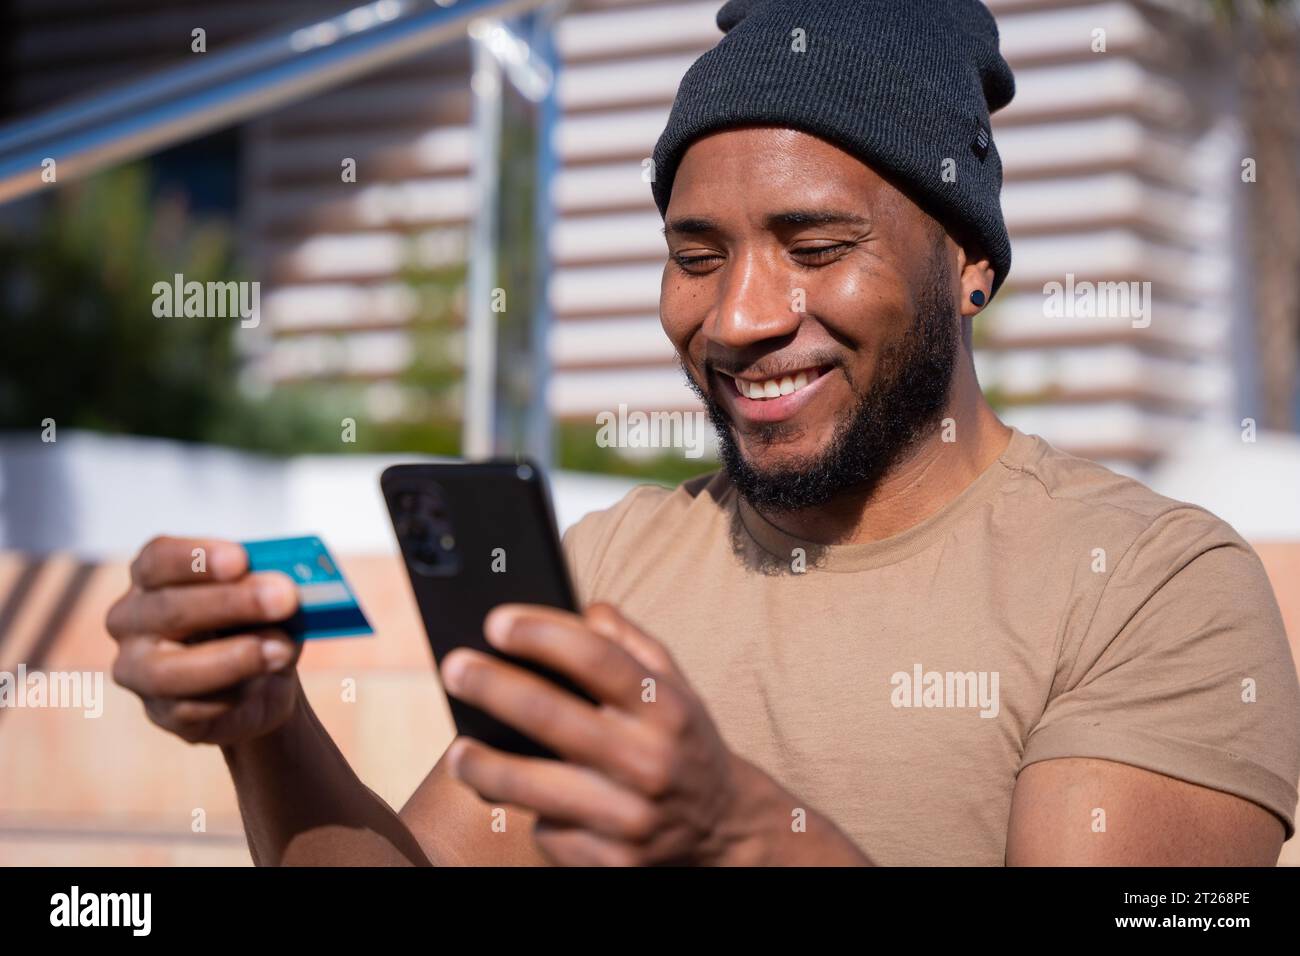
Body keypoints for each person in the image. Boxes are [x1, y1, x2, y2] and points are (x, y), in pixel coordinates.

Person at [106, 0, 1300, 865]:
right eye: (695, 254)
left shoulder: (1152, 585)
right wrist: (265, 732)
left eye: (818, 246)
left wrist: (736, 834)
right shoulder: (614, 563)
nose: (737, 318)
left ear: (968, 262)